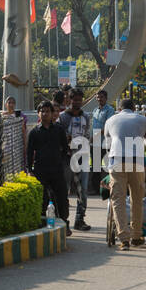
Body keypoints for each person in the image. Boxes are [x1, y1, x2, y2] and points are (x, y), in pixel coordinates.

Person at [102, 98, 146, 249]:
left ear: (119, 109)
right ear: (134, 108)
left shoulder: (110, 120)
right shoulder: (142, 119)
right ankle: (136, 235)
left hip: (116, 161)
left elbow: (108, 145)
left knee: (118, 199)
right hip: (137, 162)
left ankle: (124, 238)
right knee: (137, 198)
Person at [27, 101, 71, 235]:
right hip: (41, 171)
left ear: (52, 114)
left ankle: (64, 224)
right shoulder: (34, 132)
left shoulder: (58, 130)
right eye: (42, 111)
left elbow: (65, 148)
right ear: (38, 113)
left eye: (48, 111)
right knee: (43, 200)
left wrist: (61, 161)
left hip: (57, 170)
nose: (45, 114)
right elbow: (29, 153)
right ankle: (44, 226)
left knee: (62, 198)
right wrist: (30, 170)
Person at [58, 88, 92, 232]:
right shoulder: (63, 117)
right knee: (64, 189)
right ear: (69, 100)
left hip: (82, 156)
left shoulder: (86, 116)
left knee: (82, 189)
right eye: (74, 100)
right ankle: (63, 220)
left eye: (79, 99)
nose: (77, 102)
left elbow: (88, 133)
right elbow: (60, 135)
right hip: (66, 157)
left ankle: (80, 219)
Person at [90, 89, 115, 193]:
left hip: (106, 143)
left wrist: (97, 133)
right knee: (95, 167)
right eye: (98, 97)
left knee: (108, 167)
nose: (99, 99)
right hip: (95, 143)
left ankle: (109, 188)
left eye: (101, 97)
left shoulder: (110, 110)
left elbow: (109, 126)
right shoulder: (95, 110)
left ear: (106, 98)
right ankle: (96, 189)